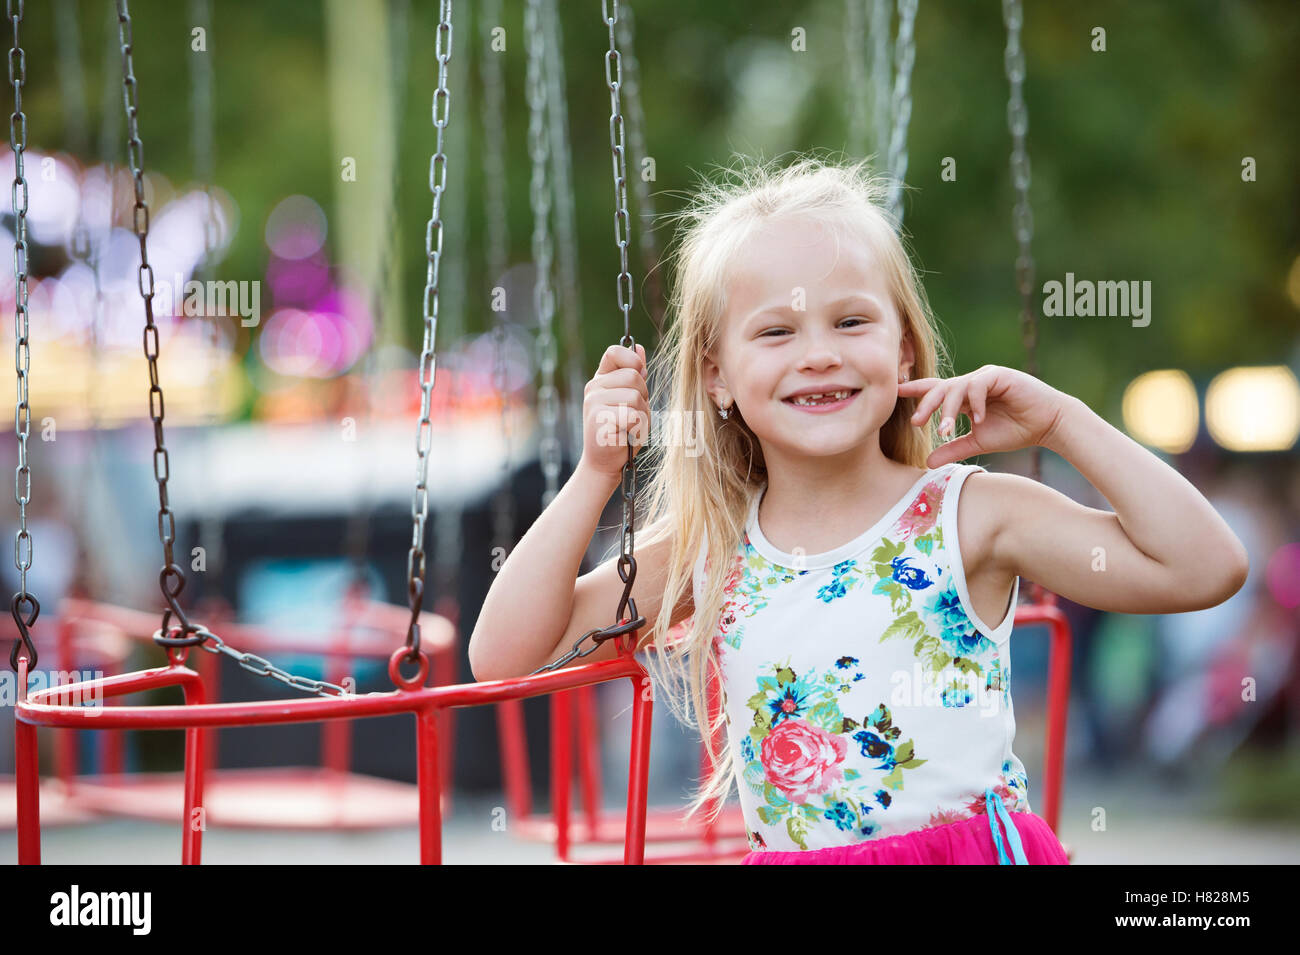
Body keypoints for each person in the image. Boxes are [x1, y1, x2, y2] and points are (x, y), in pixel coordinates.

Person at [468, 155, 1249, 865]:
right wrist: (597, 472)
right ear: (717, 378)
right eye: (776, 331)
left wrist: (1063, 422)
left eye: (851, 321)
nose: (819, 353)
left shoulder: (970, 515)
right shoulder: (708, 550)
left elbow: (1205, 566)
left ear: (904, 349)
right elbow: (504, 652)